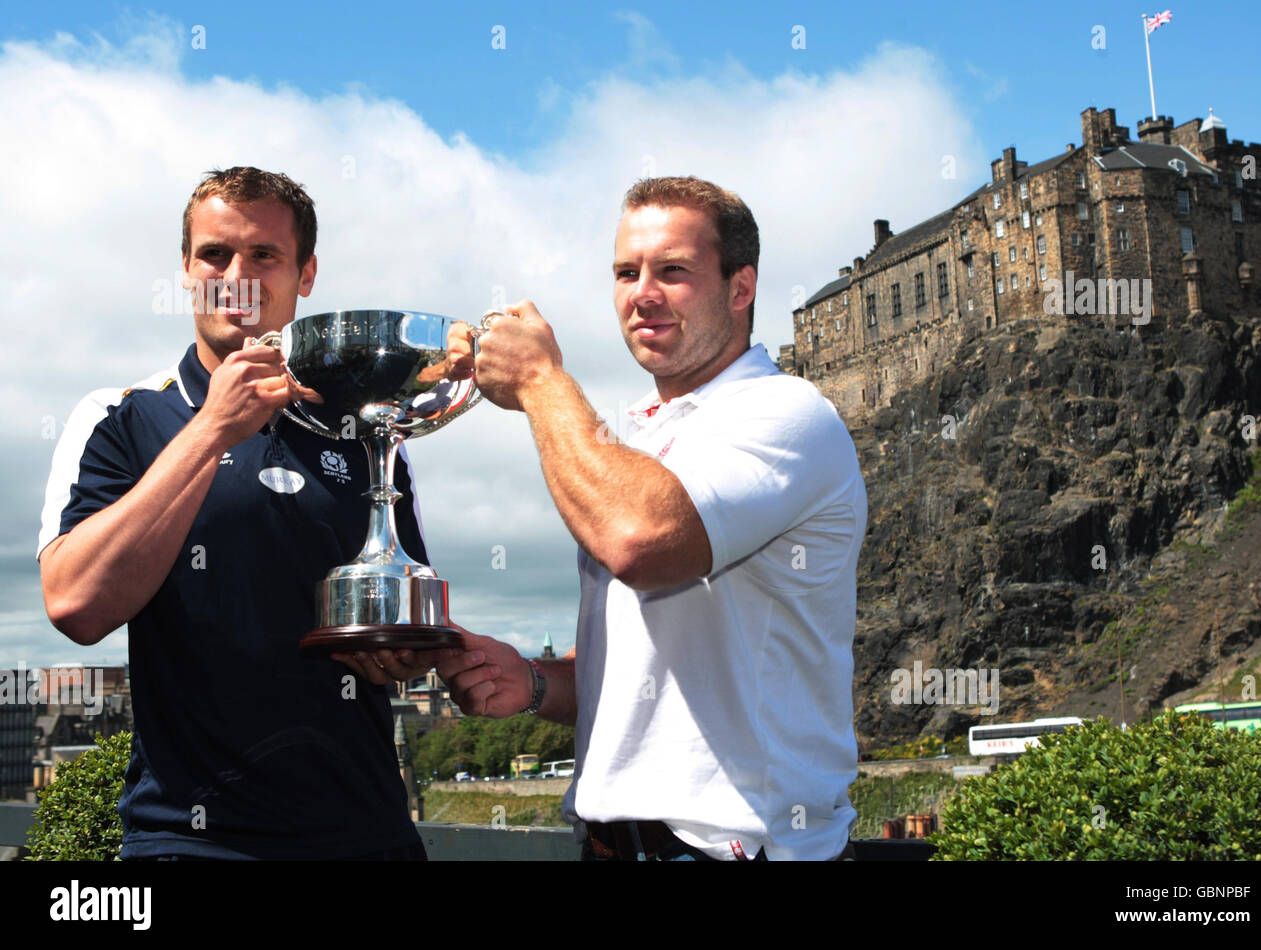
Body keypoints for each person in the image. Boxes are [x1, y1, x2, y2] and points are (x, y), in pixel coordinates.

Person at [433, 176, 868, 860]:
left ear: (741, 289)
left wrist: (542, 383)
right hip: (610, 843)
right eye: (625, 272)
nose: (642, 293)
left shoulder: (788, 414)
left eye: (673, 271)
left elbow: (639, 542)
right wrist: (536, 681)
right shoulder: (632, 438)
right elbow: (647, 664)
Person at [38, 166, 445, 859]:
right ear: (187, 270)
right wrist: (210, 430)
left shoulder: (367, 428)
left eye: (265, 255)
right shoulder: (124, 416)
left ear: (305, 273)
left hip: (368, 834)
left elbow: (392, 619)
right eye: (215, 254)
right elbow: (76, 603)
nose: (238, 275)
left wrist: (402, 655)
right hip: (192, 841)